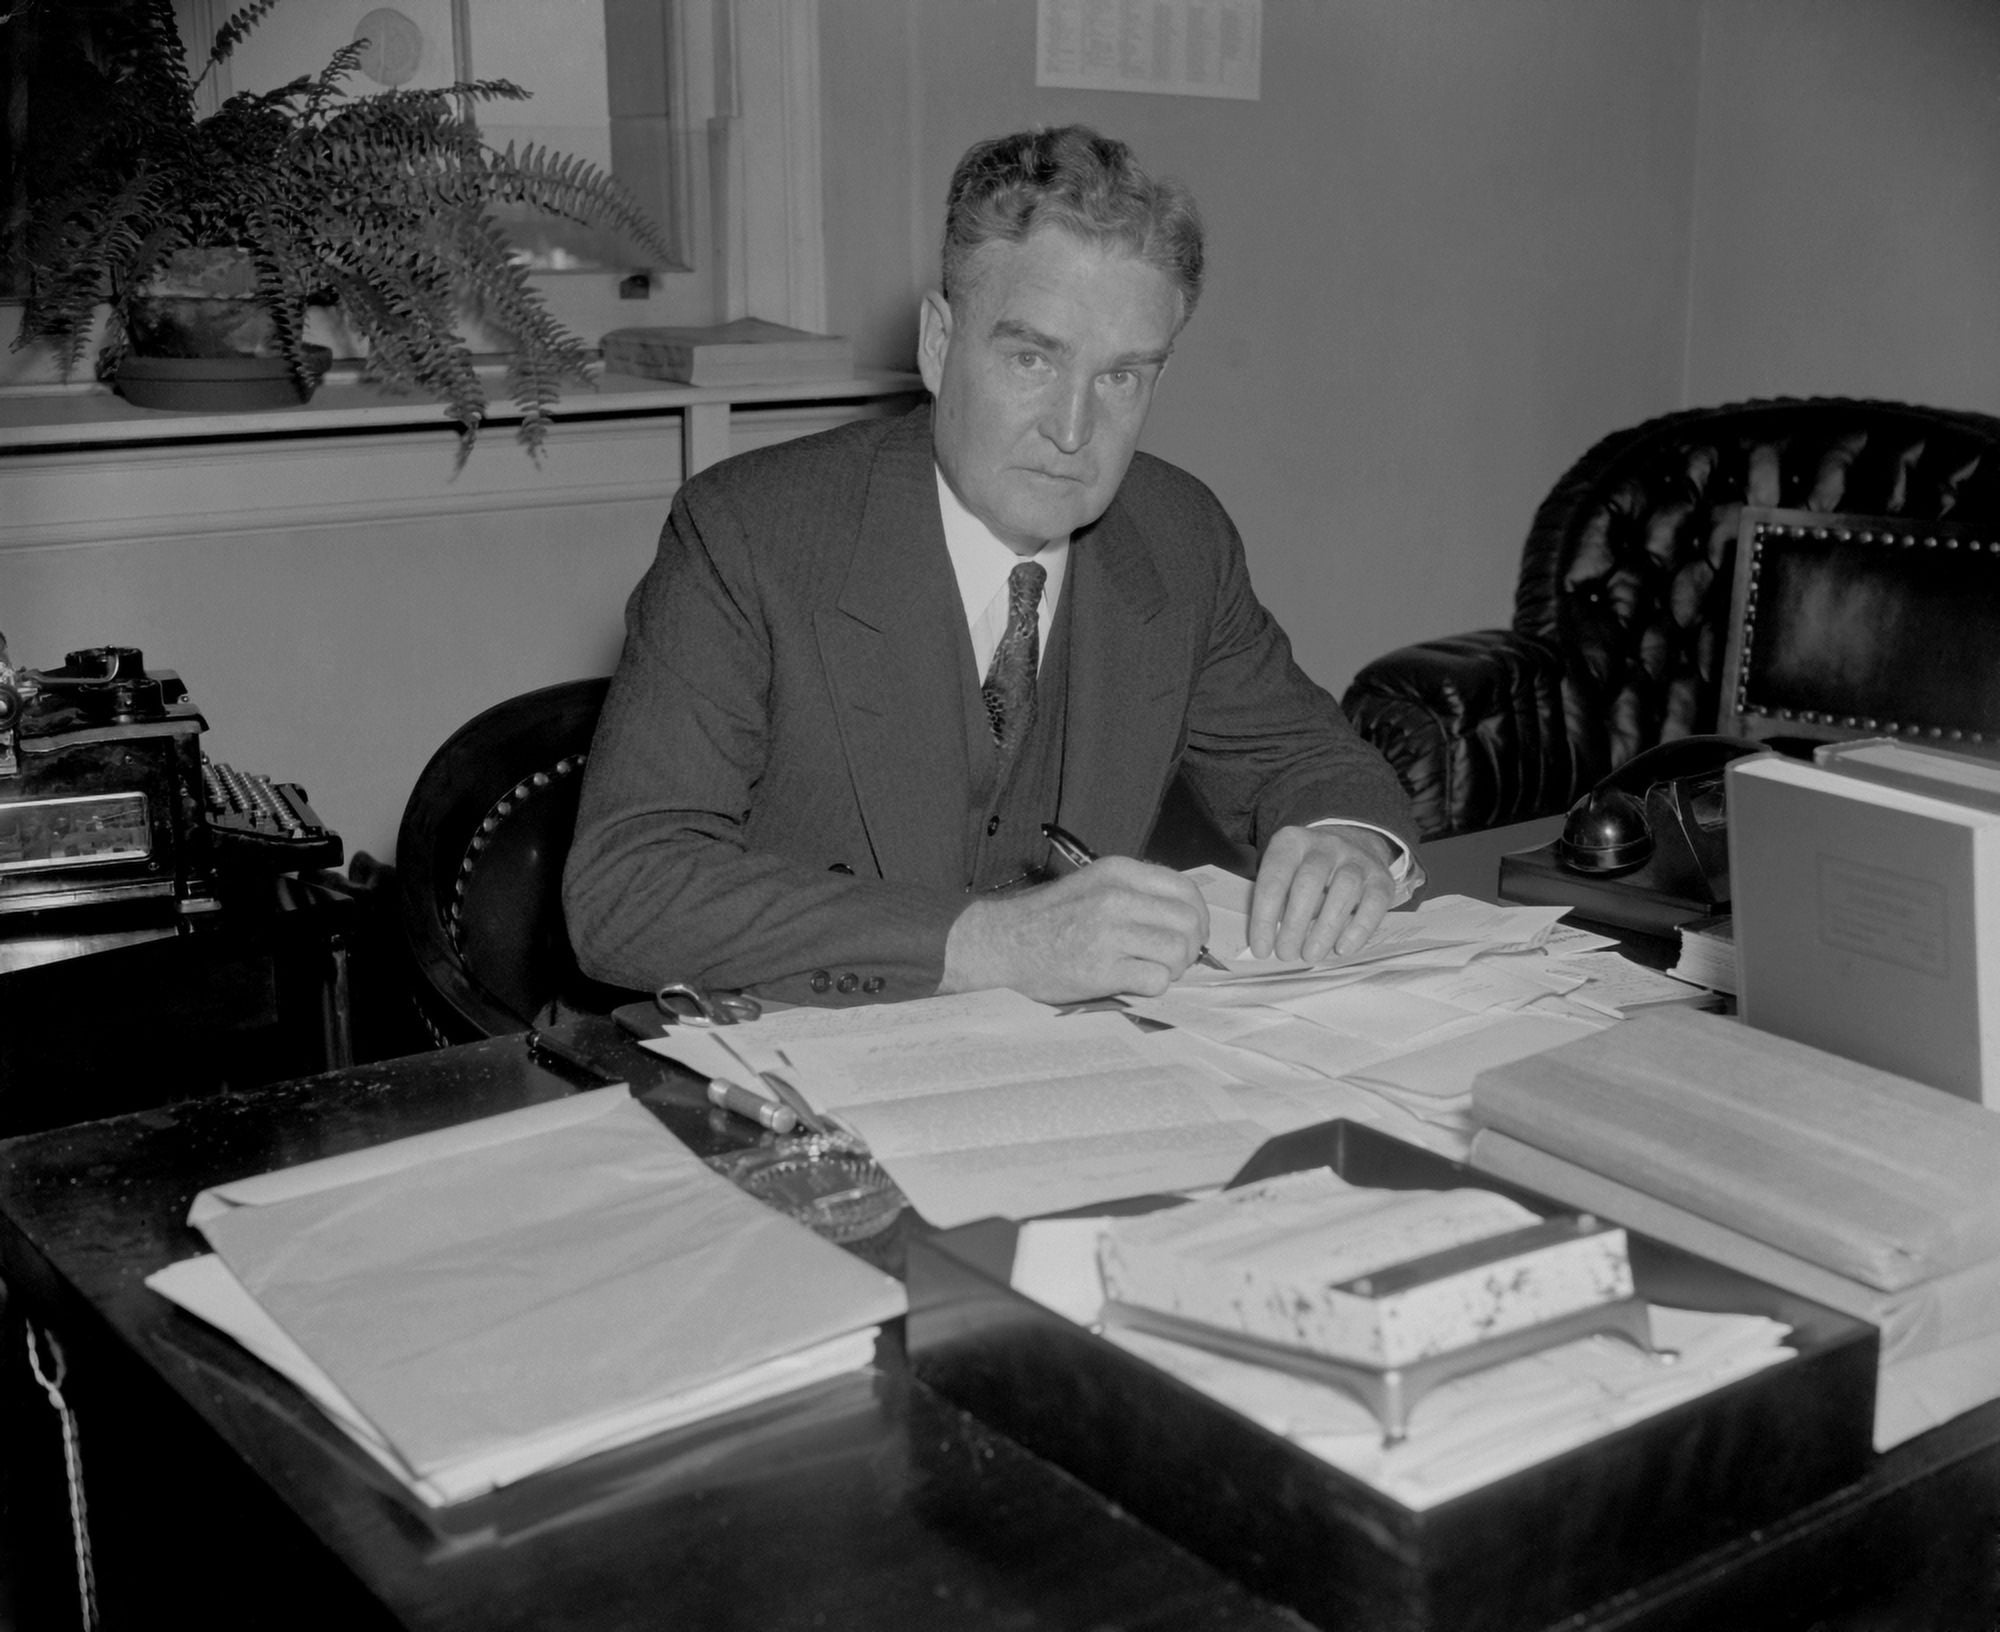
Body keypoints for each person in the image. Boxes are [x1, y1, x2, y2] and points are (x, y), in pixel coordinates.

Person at [564, 124, 1421, 1009]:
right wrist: (992, 944)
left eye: (1122, 378)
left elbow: (1314, 762)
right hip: (795, 1058)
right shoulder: (751, 533)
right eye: (1031, 358)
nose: (1074, 431)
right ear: (939, 344)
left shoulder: (1178, 537)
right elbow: (628, 893)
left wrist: (1344, 842)